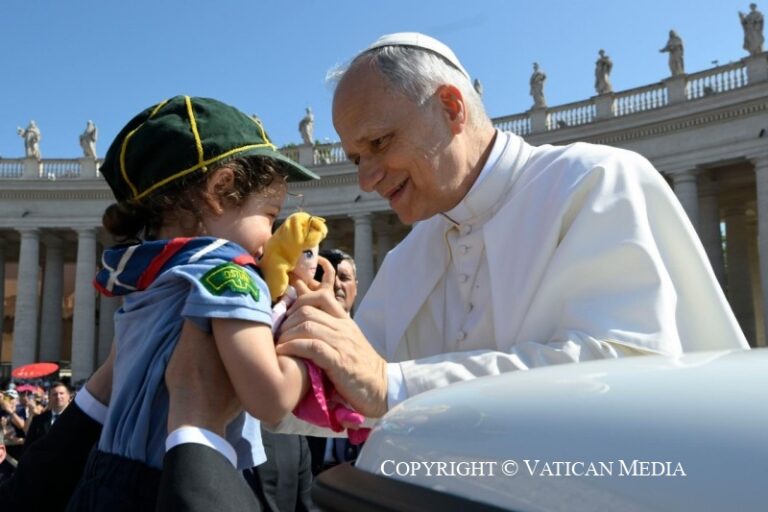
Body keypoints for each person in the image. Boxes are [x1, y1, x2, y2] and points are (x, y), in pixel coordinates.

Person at [274, 32, 749, 427]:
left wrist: (394, 386)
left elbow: (622, 373)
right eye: (358, 157)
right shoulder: (407, 258)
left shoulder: (595, 181)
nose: (365, 179)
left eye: (379, 142)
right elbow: (347, 388)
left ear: (451, 108)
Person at [65, 95, 318, 511]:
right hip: (177, 481)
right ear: (220, 190)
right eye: (269, 216)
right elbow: (270, 399)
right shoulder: (231, 277)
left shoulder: (146, 279)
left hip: (101, 478)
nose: (271, 237)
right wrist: (310, 356)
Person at [306, 249, 361, 475]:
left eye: (345, 278)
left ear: (356, 287)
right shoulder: (294, 337)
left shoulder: (374, 345)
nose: (336, 284)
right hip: (306, 464)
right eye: (326, 275)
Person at [24, 382, 72, 447]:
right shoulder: (38, 420)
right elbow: (29, 444)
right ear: (49, 398)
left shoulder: (77, 419)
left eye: (61, 393)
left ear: (69, 396)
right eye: (54, 394)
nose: (58, 396)